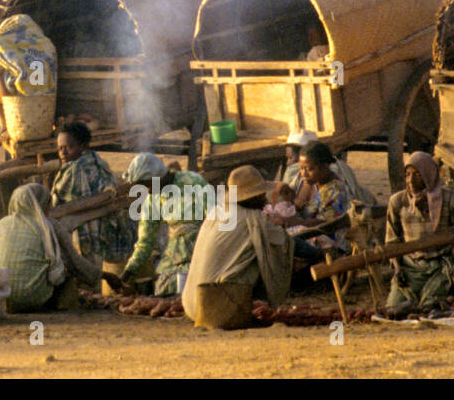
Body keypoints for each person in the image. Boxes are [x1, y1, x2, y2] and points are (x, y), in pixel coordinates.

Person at [182, 166, 293, 325]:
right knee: (263, 254)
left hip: (192, 306)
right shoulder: (253, 219)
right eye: (261, 195)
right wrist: (317, 253)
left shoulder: (216, 212)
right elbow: (284, 241)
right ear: (253, 197)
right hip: (217, 307)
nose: (265, 199)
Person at [0, 183, 102, 312]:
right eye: (48, 204)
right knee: (64, 272)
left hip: (0, 298)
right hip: (34, 298)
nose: (49, 208)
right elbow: (74, 262)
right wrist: (102, 276)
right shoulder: (48, 226)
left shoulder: (2, 224)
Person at [384, 151, 454, 317]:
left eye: (417, 175)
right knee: (394, 307)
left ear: (429, 175)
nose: (411, 181)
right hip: (410, 267)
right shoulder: (398, 202)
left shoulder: (449, 199)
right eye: (407, 175)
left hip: (440, 265)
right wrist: (397, 267)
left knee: (429, 306)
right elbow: (392, 242)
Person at [120, 152, 211, 296]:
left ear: (158, 176)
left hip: (202, 250)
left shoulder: (193, 182)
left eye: (148, 185)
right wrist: (129, 270)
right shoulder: (152, 200)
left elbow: (214, 220)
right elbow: (145, 241)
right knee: (163, 287)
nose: (148, 191)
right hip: (175, 255)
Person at [49, 121, 134, 264]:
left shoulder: (74, 170)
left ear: (83, 146)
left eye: (69, 147)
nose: (63, 152)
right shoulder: (98, 162)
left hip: (85, 226)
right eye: (60, 148)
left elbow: (55, 203)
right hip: (107, 227)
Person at [270, 143, 351, 263]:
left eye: (309, 169)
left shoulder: (335, 190)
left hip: (328, 237)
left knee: (285, 240)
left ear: (324, 167)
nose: (303, 173)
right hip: (305, 229)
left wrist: (293, 222)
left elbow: (326, 224)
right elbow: (289, 199)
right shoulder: (306, 180)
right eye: (301, 168)